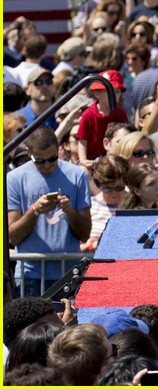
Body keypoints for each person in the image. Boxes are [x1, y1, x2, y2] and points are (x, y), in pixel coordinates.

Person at [6, 127, 92, 296]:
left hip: (69, 273)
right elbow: (12, 237)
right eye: (39, 161)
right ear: (28, 152)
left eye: (52, 159)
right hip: (30, 276)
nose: (47, 165)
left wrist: (70, 211)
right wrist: (34, 210)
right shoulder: (15, 178)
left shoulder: (76, 175)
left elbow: (85, 234)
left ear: (59, 147)